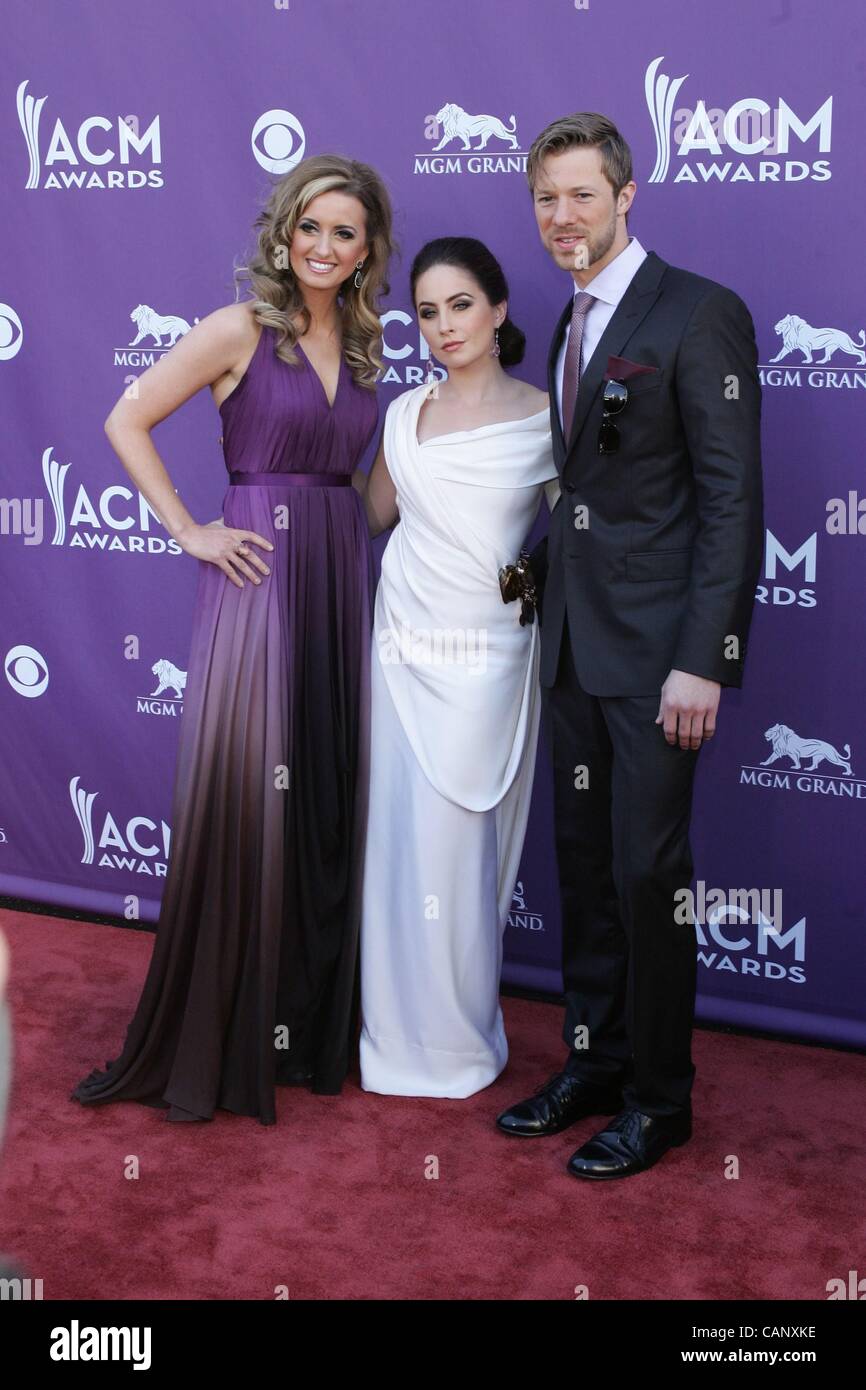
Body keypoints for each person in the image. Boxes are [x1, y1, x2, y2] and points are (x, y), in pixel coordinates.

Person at [71, 154, 395, 1124]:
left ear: (368, 246)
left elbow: (375, 496)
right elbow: (125, 419)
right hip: (258, 586)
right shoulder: (237, 330)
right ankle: (222, 1030)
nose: (323, 247)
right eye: (309, 227)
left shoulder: (374, 347)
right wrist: (189, 528)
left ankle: (296, 1019)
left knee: (323, 800)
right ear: (282, 233)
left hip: (342, 573)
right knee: (250, 798)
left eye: (344, 231)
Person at [495, 113, 763, 1177]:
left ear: (625, 193)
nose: (562, 217)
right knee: (586, 870)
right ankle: (593, 1062)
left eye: (580, 195)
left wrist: (704, 657)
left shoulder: (698, 314)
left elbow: (730, 503)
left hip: (660, 661)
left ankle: (660, 1098)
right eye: (545, 200)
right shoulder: (569, 321)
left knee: (649, 876)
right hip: (569, 648)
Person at [358, 238, 558, 1097]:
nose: (445, 327)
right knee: (398, 843)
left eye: (462, 306)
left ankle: (458, 1042)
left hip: (488, 662)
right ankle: (392, 1033)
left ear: (500, 309)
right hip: (400, 650)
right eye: (428, 312)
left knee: (461, 850)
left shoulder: (552, 417)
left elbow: (592, 537)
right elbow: (367, 518)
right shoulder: (403, 414)